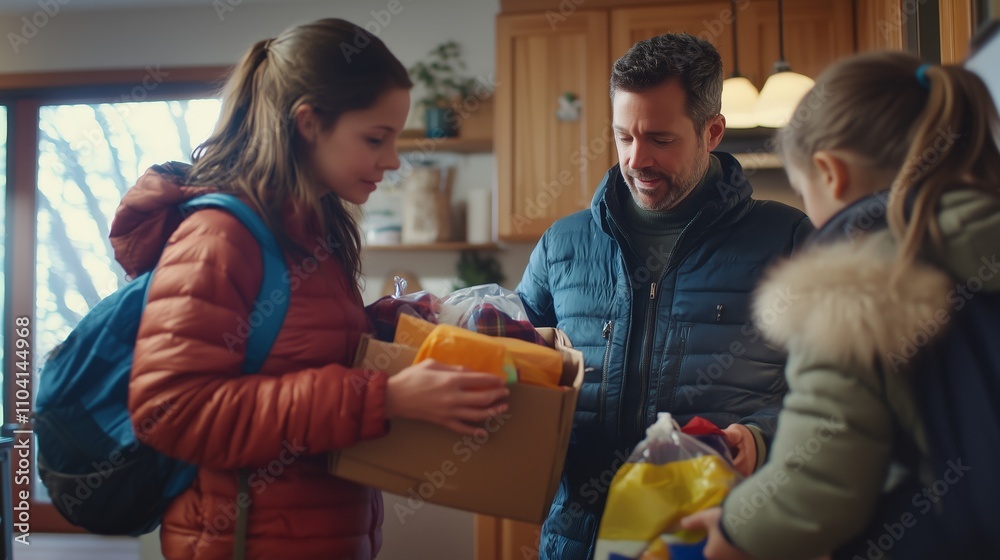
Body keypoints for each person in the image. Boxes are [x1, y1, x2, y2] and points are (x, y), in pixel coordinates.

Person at [111, 19, 509, 560]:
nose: (392, 161)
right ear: (308, 123)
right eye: (376, 138)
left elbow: (289, 353)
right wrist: (385, 396)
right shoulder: (219, 237)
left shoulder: (310, 233)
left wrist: (390, 322)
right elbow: (169, 410)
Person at [682, 51, 1000, 559]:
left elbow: (820, 484)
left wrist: (737, 530)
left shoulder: (855, 280)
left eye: (805, 192)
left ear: (831, 174)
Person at [516, 33, 812, 559]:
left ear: (711, 131)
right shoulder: (563, 243)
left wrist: (760, 437)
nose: (637, 159)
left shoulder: (786, 241)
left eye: (660, 139)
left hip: (717, 537)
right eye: (623, 137)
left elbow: (832, 397)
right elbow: (514, 366)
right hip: (578, 541)